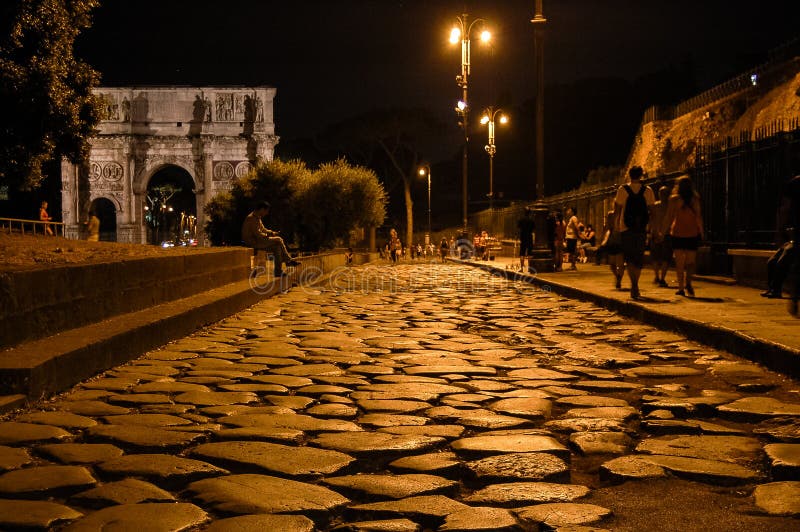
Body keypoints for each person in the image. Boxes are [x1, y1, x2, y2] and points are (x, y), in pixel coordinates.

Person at [614, 166, 656, 299]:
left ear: (629, 175)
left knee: (629, 259)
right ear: (641, 175)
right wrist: (653, 228)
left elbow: (617, 211)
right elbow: (653, 212)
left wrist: (615, 226)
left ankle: (633, 285)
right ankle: (635, 285)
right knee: (638, 259)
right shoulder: (647, 190)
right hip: (641, 229)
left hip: (626, 228)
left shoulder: (622, 190)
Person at [662, 176, 704, 297]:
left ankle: (681, 288)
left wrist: (663, 231)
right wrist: (701, 231)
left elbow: (669, 217)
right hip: (692, 233)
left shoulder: (674, 199)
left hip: (677, 234)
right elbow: (699, 217)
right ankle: (688, 282)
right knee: (690, 262)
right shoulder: (695, 199)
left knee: (679, 263)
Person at [241, 201, 300, 276]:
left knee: (277, 247)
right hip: (252, 242)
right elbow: (258, 234)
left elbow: (263, 229)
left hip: (257, 240)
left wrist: (272, 233)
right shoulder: (251, 218)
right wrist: (268, 236)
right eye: (266, 211)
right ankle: (288, 261)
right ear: (262, 209)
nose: (267, 213)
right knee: (278, 239)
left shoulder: (257, 217)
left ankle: (278, 271)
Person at [650, 185, 673, 287]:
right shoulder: (671, 206)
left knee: (655, 257)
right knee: (665, 258)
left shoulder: (655, 206)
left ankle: (657, 276)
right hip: (667, 234)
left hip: (656, 233)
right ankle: (662, 278)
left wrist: (653, 231)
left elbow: (651, 220)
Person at [518, 207, 535, 271]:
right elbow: (533, 229)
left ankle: (522, 268)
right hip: (529, 237)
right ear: (530, 213)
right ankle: (529, 268)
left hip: (523, 237)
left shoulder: (521, 219)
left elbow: (519, 228)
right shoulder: (531, 220)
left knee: (522, 253)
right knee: (530, 253)